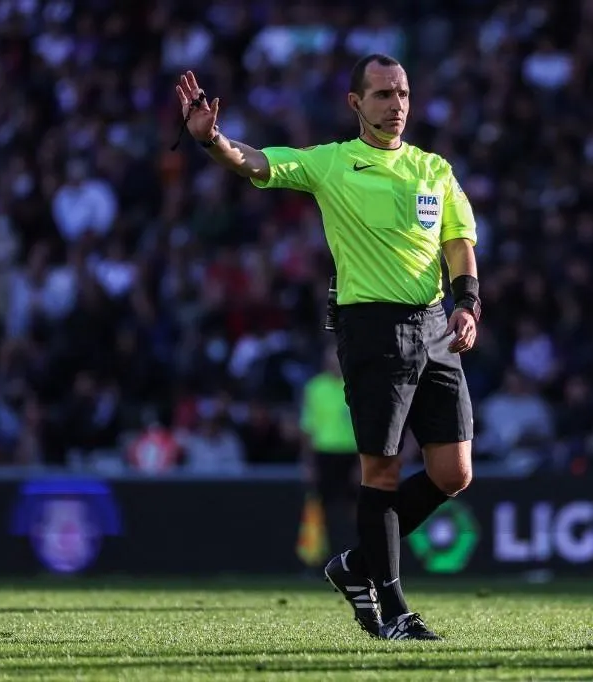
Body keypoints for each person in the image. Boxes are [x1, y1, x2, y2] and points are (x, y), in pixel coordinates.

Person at [174, 54, 480, 641]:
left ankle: (354, 566)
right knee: (383, 469)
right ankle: (392, 610)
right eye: (383, 95)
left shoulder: (434, 170)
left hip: (437, 326)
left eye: (403, 94)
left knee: (453, 472)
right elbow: (258, 164)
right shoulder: (332, 163)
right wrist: (212, 140)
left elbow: (460, 243)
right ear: (355, 103)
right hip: (373, 328)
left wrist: (467, 303)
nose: (397, 105)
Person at [300, 345, 360, 566]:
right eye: (330, 359)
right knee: (320, 511)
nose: (334, 363)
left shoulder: (355, 385)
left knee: (355, 509)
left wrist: (362, 463)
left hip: (352, 455)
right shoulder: (315, 388)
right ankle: (320, 561)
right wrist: (308, 463)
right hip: (324, 455)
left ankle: (357, 558)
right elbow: (308, 428)